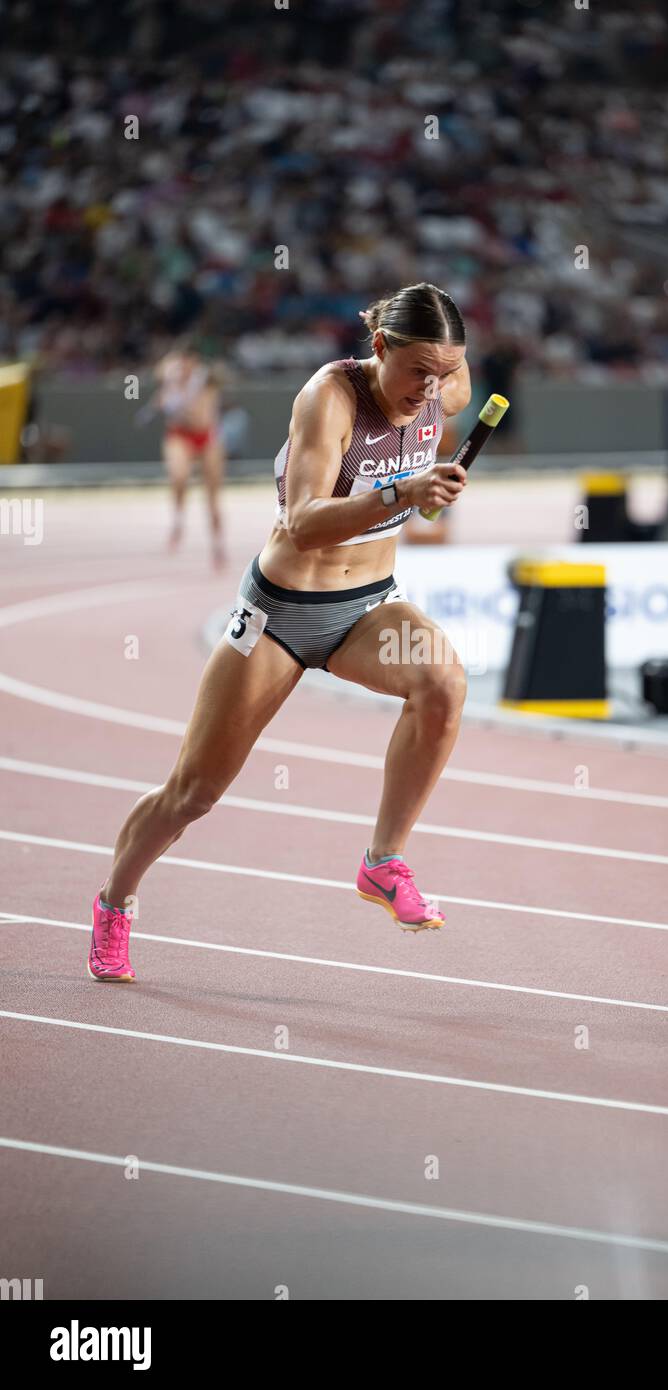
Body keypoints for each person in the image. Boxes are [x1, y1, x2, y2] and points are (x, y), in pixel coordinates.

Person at [88, 283, 473, 981]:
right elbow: (301, 522)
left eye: (445, 372)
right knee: (193, 794)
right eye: (417, 370)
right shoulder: (329, 397)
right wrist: (401, 493)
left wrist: (439, 484)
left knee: (444, 682)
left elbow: (450, 399)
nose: (432, 388)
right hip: (280, 615)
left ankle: (382, 861)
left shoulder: (444, 381)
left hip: (369, 608)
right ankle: (116, 902)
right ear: (381, 347)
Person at [155, 346, 227, 569]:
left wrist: (182, 404)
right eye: (180, 363)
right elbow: (157, 372)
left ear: (195, 363)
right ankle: (178, 520)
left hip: (205, 437)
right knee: (179, 476)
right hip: (179, 436)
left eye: (187, 362)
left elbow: (201, 417)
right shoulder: (171, 378)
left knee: (212, 496)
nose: (183, 367)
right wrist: (169, 375)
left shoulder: (206, 381)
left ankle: (218, 544)